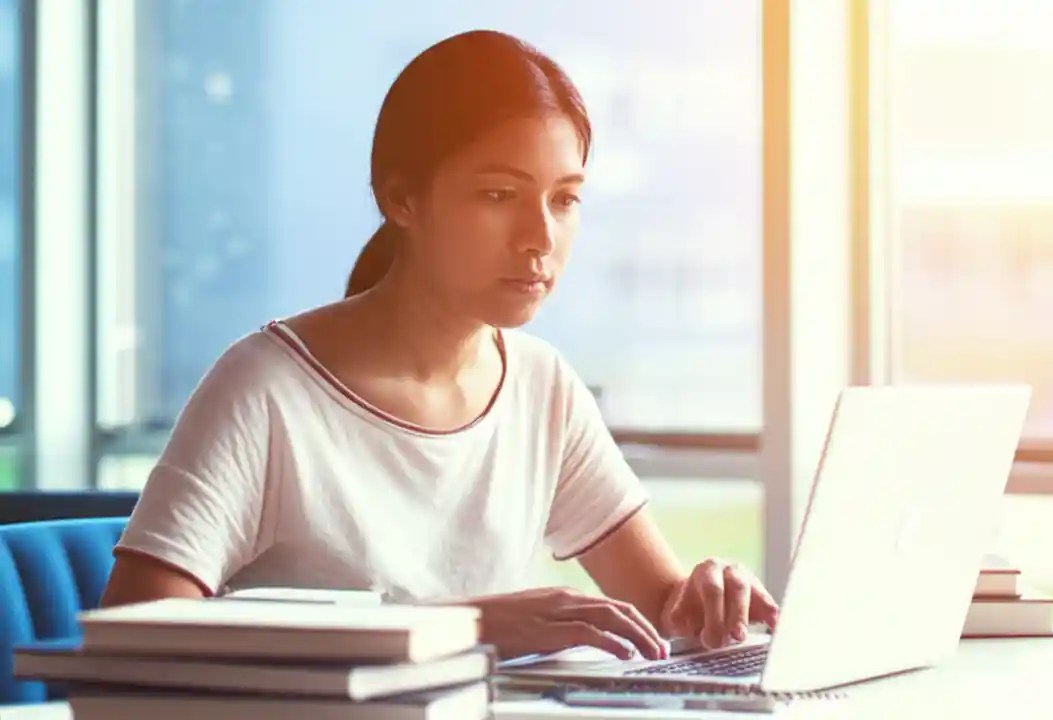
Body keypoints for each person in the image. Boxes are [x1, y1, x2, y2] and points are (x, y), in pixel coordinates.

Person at [101, 29, 778, 662]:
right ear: (402, 199)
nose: (540, 238)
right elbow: (134, 632)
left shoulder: (541, 387)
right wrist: (465, 627)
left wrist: (706, 598)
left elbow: (660, 605)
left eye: (565, 200)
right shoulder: (266, 390)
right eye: (498, 194)